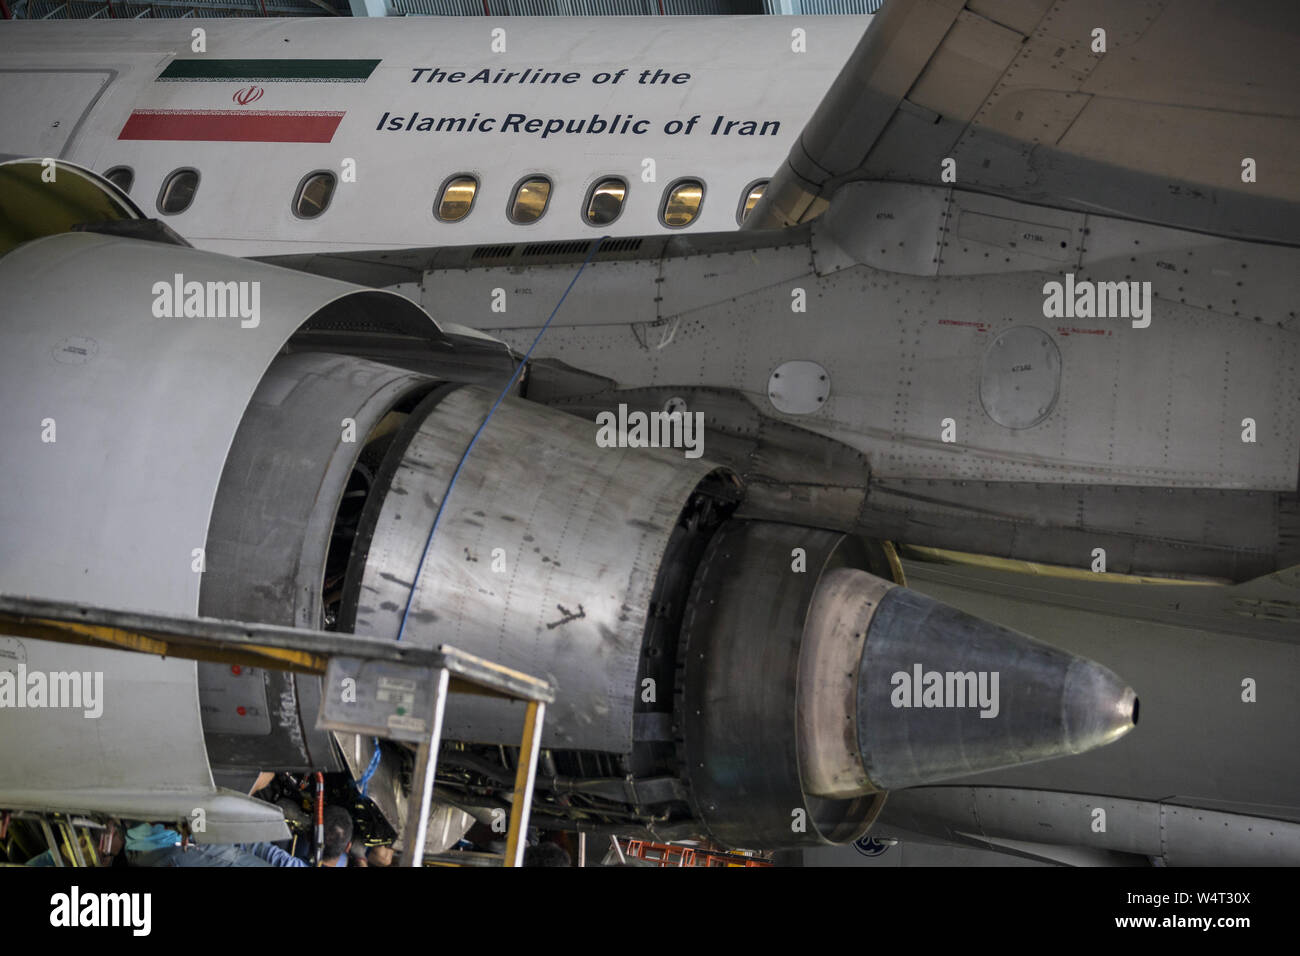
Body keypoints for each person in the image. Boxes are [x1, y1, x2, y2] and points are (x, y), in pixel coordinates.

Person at [247, 806, 354, 867]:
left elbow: (246, 843)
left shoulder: (285, 862)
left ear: (307, 836)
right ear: (348, 847)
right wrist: (361, 859)